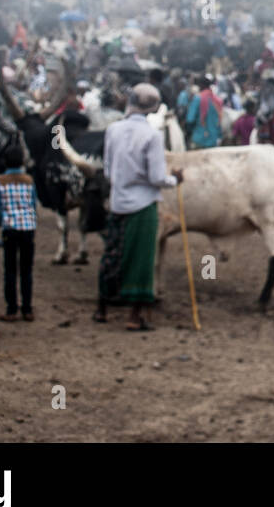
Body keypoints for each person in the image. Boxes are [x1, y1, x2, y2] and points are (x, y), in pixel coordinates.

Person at [95, 83, 183, 330]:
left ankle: (102, 308)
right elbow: (156, 177)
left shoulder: (113, 129)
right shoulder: (153, 136)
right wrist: (175, 179)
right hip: (143, 205)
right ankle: (135, 316)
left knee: (112, 253)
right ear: (154, 108)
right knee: (141, 259)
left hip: (118, 201)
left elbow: (108, 169)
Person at [0, 143, 38, 322]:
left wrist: (1, 219)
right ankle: (27, 309)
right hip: (28, 228)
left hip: (10, 228)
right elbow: (33, 204)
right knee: (27, 270)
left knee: (10, 269)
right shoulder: (29, 180)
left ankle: (11, 309)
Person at [185, 75, 224, 148]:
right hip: (214, 140)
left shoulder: (198, 99)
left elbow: (190, 120)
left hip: (199, 140)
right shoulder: (217, 100)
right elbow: (219, 122)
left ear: (200, 85)